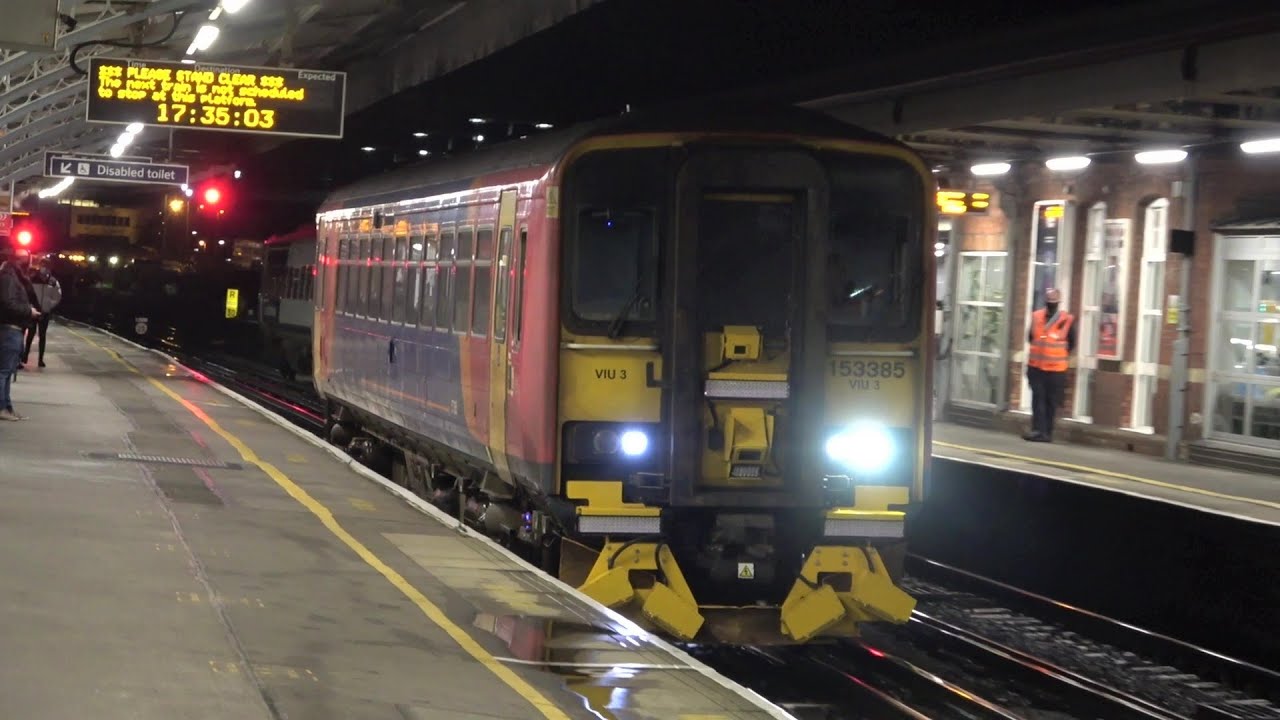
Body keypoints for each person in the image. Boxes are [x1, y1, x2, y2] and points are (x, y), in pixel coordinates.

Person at [1024, 287, 1076, 442]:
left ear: (1059, 302)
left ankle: (1046, 433)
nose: (1051, 302)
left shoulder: (1066, 320)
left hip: (1056, 370)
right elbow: (1030, 338)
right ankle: (1038, 430)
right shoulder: (1036, 316)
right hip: (1037, 368)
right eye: (1049, 300)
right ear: (1046, 301)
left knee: (1050, 402)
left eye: (1054, 300)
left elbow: (1072, 343)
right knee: (1038, 399)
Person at [0, 245, 40, 421]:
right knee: (3, 371)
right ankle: (1, 408)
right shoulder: (9, 278)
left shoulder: (14, 277)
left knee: (7, 372)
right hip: (9, 330)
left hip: (13, 329)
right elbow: (8, 304)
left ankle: (6, 407)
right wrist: (28, 311)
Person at [23, 259, 61, 368]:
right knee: (30, 333)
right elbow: (27, 293)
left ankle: (40, 359)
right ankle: (25, 355)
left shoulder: (53, 282)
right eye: (42, 265)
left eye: (46, 266)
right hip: (34, 311)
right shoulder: (33, 279)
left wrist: (49, 306)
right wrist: (30, 307)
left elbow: (57, 296)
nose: (44, 268)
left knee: (42, 335)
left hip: (45, 312)